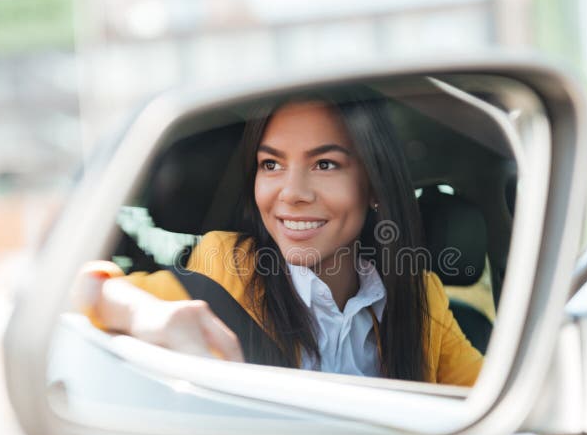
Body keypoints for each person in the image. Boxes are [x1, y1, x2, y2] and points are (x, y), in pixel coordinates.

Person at [73, 87, 484, 386]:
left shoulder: (418, 294)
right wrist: (139, 312)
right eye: (271, 164)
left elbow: (485, 400)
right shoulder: (227, 266)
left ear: (373, 186)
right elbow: (77, 294)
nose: (291, 193)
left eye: (325, 164)